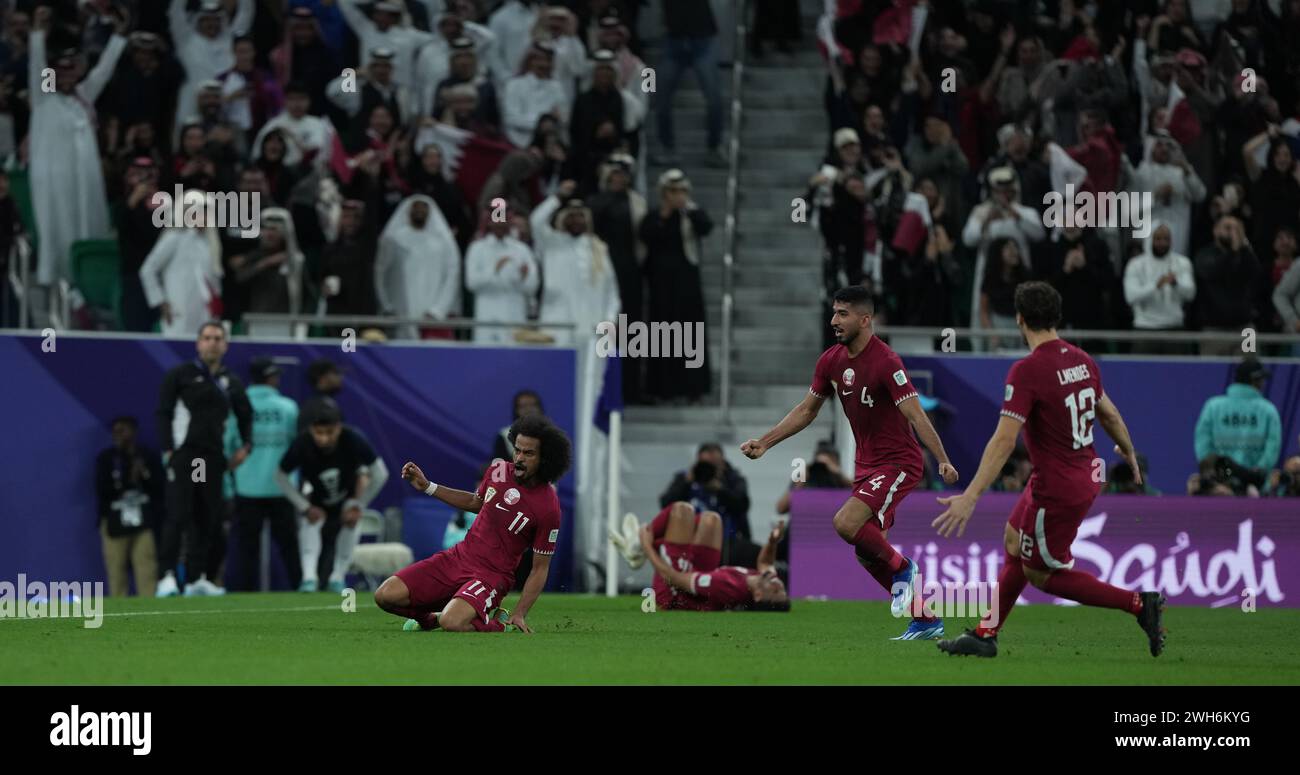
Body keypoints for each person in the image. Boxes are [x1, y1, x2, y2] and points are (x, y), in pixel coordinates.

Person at [932, 281, 1165, 658]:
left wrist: (971, 495)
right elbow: (1108, 412)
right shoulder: (1081, 360)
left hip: (1057, 487)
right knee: (1013, 539)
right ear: (1056, 317)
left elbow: (1005, 440)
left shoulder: (1028, 370)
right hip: (1083, 474)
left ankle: (1139, 604)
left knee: (1041, 574)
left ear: (1020, 320)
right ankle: (984, 633)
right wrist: (1128, 449)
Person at [740, 285, 960, 640]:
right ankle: (925, 619)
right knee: (866, 552)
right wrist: (765, 442)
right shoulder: (830, 361)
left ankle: (905, 568)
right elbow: (806, 411)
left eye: (843, 314)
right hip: (867, 467)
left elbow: (917, 416)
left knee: (845, 522)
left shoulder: (887, 362)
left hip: (899, 463)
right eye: (834, 313)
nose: (834, 321)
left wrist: (943, 460)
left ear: (865, 319)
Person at [375, 414, 571, 633]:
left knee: (453, 622)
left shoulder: (549, 507)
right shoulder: (498, 471)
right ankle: (430, 620)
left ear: (545, 458)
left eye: (529, 453)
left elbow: (540, 568)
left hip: (492, 576)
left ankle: (502, 625)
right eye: (517, 449)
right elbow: (474, 502)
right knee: (385, 595)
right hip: (458, 558)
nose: (519, 458)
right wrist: (428, 486)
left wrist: (519, 613)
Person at [27, 6, 128, 316]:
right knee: (56, 230)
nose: (67, 75)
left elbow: (105, 69)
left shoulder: (84, 96)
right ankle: (54, 297)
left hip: (84, 182)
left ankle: (82, 294)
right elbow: (36, 66)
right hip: (53, 183)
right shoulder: (44, 96)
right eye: (61, 70)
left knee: (85, 227)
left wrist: (119, 36)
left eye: (72, 69)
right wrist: (38, 34)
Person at [155, 322, 253, 597]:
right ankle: (168, 576)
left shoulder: (230, 381)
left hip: (212, 459)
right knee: (177, 515)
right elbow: (163, 412)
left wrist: (247, 447)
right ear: (198, 343)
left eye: (217, 338)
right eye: (207, 338)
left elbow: (246, 414)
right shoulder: (180, 376)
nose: (212, 343)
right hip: (186, 456)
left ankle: (197, 577)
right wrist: (167, 450)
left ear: (225, 345)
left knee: (206, 517)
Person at [275, 403, 389, 592]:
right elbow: (280, 476)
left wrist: (359, 506)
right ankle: (309, 578)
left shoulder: (353, 438)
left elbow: (380, 473)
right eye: (318, 432)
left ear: (339, 428)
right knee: (310, 522)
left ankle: (337, 577)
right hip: (316, 501)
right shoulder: (303, 442)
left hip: (347, 499)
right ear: (311, 429)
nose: (323, 438)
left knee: (353, 520)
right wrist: (304, 506)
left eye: (329, 432)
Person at [609, 502, 789, 612]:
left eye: (775, 591)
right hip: (698, 576)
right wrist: (773, 542)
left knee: (681, 510)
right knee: (712, 519)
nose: (777, 584)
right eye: (782, 589)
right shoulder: (762, 579)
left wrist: (648, 547)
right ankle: (645, 543)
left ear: (758, 595)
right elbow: (765, 562)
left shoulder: (728, 587)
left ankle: (637, 547)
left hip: (672, 595)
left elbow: (674, 578)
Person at [224, 358, 301, 592]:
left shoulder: (235, 406)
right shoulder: (288, 407)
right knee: (289, 546)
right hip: (281, 488)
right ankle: (301, 590)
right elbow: (297, 448)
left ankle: (246, 595)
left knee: (247, 547)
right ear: (272, 378)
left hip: (247, 487)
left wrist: (228, 486)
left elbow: (228, 446)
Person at [640, 169, 711, 402]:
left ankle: (693, 388)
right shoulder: (654, 216)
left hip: (687, 282)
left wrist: (687, 208)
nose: (677, 195)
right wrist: (665, 213)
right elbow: (646, 234)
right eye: (672, 191)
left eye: (681, 191)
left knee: (691, 334)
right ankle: (663, 389)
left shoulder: (690, 213)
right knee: (662, 334)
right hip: (661, 283)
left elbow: (706, 226)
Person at [138, 190, 225, 338]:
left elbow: (212, 280)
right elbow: (147, 270)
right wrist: (160, 302)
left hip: (205, 313)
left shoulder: (208, 243)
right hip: (178, 310)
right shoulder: (174, 237)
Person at [374, 195, 461, 339]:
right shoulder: (394, 239)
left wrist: (438, 310)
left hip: (432, 316)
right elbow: (380, 273)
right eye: (416, 208)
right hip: (399, 314)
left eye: (423, 208)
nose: (419, 211)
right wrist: (387, 306)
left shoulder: (443, 241)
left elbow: (452, 274)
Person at [95, 416, 163, 597]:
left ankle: (151, 611)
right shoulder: (107, 458)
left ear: (134, 431)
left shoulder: (146, 456)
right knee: (116, 570)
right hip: (114, 521)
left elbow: (159, 487)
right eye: (116, 431)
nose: (119, 435)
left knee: (147, 567)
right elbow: (102, 490)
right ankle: (119, 614)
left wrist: (143, 473)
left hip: (142, 520)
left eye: (123, 430)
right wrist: (127, 480)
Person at [1193, 356, 1282, 492]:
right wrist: (1256, 473)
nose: (1263, 383)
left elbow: (1203, 445)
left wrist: (1215, 473)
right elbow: (1272, 448)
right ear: (1255, 381)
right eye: (1262, 379)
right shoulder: (1268, 410)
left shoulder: (1213, 406)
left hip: (1220, 484)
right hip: (1254, 487)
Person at [652, 0, 724, 167]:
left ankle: (714, 147)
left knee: (714, 98)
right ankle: (667, 147)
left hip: (703, 40)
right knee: (659, 96)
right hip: (673, 41)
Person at [464, 202, 539, 343]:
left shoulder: (521, 249)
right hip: (486, 315)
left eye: (503, 221)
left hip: (515, 314)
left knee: (515, 359)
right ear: (489, 222)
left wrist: (522, 279)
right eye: (496, 221)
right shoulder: (477, 248)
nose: (500, 225)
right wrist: (494, 271)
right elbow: (471, 283)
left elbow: (532, 286)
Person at [1122, 222, 1196, 354]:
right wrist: (1156, 286)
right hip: (1145, 329)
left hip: (1174, 328)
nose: (1162, 243)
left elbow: (1190, 294)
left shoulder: (1182, 263)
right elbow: (1131, 297)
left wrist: (1175, 283)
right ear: (1150, 239)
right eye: (1158, 239)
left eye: (1166, 239)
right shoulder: (1136, 264)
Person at [658, 443, 751, 541]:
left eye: (714, 465)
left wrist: (720, 490)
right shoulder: (685, 478)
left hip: (727, 541)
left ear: (722, 463)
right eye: (706, 465)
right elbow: (666, 504)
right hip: (689, 539)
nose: (709, 470)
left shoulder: (733, 479)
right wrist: (686, 483)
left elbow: (742, 506)